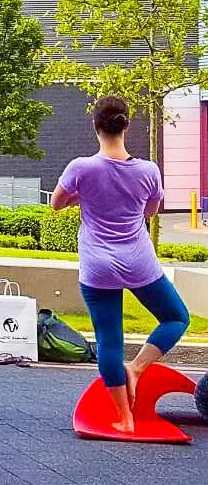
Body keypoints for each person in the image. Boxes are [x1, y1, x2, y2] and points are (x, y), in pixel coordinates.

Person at [52, 97, 189, 434]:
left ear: (95, 127)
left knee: (109, 339)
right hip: (139, 262)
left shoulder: (81, 168)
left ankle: (123, 419)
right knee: (176, 317)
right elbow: (149, 212)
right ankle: (138, 368)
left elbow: (57, 203)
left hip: (98, 266)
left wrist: (83, 197)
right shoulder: (148, 170)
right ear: (126, 126)